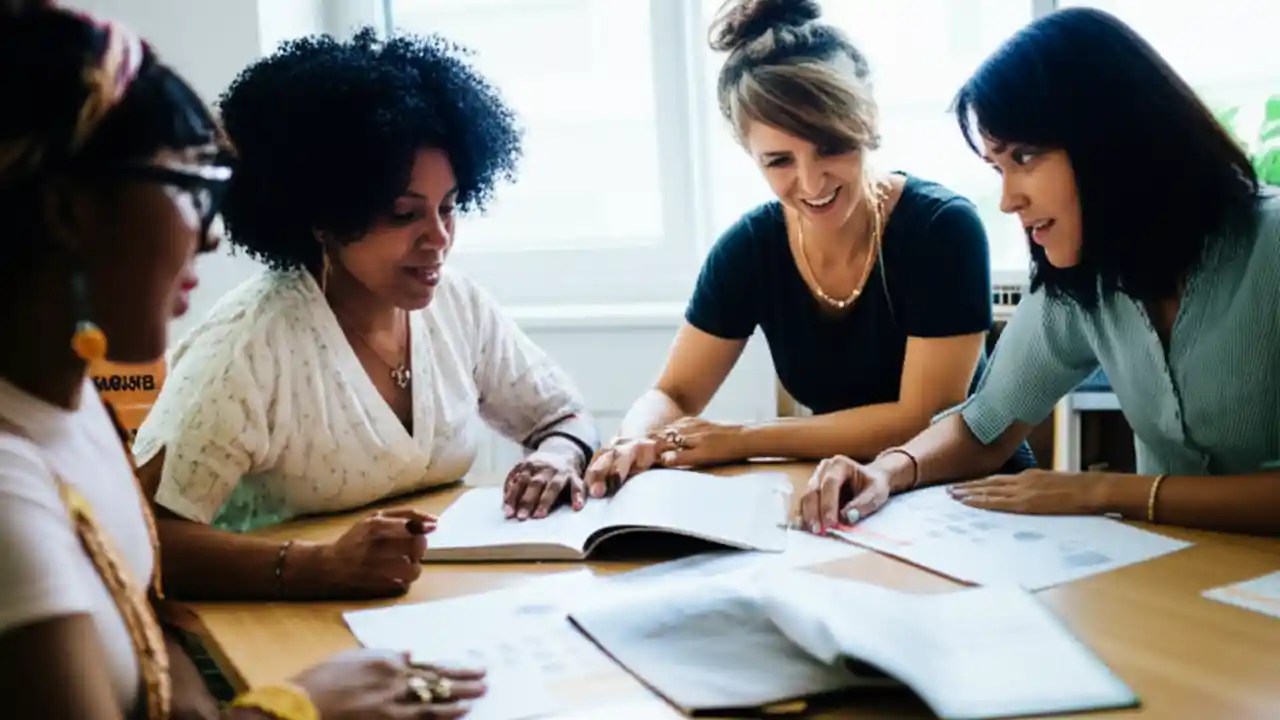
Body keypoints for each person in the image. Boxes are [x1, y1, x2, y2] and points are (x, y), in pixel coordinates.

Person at [0, 5, 484, 719]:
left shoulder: (72, 412)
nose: (208, 235)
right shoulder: (10, 487)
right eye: (187, 184)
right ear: (71, 213)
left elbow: (149, 645)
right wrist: (296, 706)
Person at [131, 29, 601, 602]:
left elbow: (564, 416)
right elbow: (145, 538)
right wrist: (316, 566)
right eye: (404, 214)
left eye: (449, 207)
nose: (440, 238)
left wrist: (556, 457)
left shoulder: (459, 306)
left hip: (425, 608)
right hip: (271, 626)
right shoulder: (246, 349)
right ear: (325, 219)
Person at [798, 7, 1280, 536]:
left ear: (1114, 139)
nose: (1007, 200)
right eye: (998, 168)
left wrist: (1101, 492)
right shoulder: (1080, 278)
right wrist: (886, 471)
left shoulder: (1270, 244)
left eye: (1025, 157)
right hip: (1177, 579)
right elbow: (986, 424)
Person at [586, 0, 1033, 493]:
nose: (811, 181)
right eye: (779, 161)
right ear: (750, 154)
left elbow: (920, 418)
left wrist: (741, 438)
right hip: (842, 491)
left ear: (866, 122)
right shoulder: (750, 249)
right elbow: (675, 391)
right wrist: (633, 441)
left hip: (967, 492)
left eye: (831, 146)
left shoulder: (943, 230)